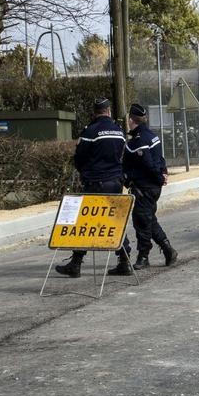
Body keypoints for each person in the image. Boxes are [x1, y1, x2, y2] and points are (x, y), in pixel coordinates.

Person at [54, 98, 134, 277]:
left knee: (86, 222)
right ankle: (124, 260)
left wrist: (86, 172)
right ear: (109, 111)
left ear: (94, 112)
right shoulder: (118, 131)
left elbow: (79, 158)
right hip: (115, 182)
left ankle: (75, 264)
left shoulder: (90, 131)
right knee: (115, 221)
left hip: (96, 183)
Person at [123, 103, 178, 269]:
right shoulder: (152, 136)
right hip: (151, 187)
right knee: (148, 219)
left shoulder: (138, 141)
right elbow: (160, 159)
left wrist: (159, 177)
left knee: (141, 221)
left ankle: (143, 256)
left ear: (131, 120)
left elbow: (148, 164)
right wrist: (163, 173)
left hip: (144, 187)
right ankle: (167, 249)